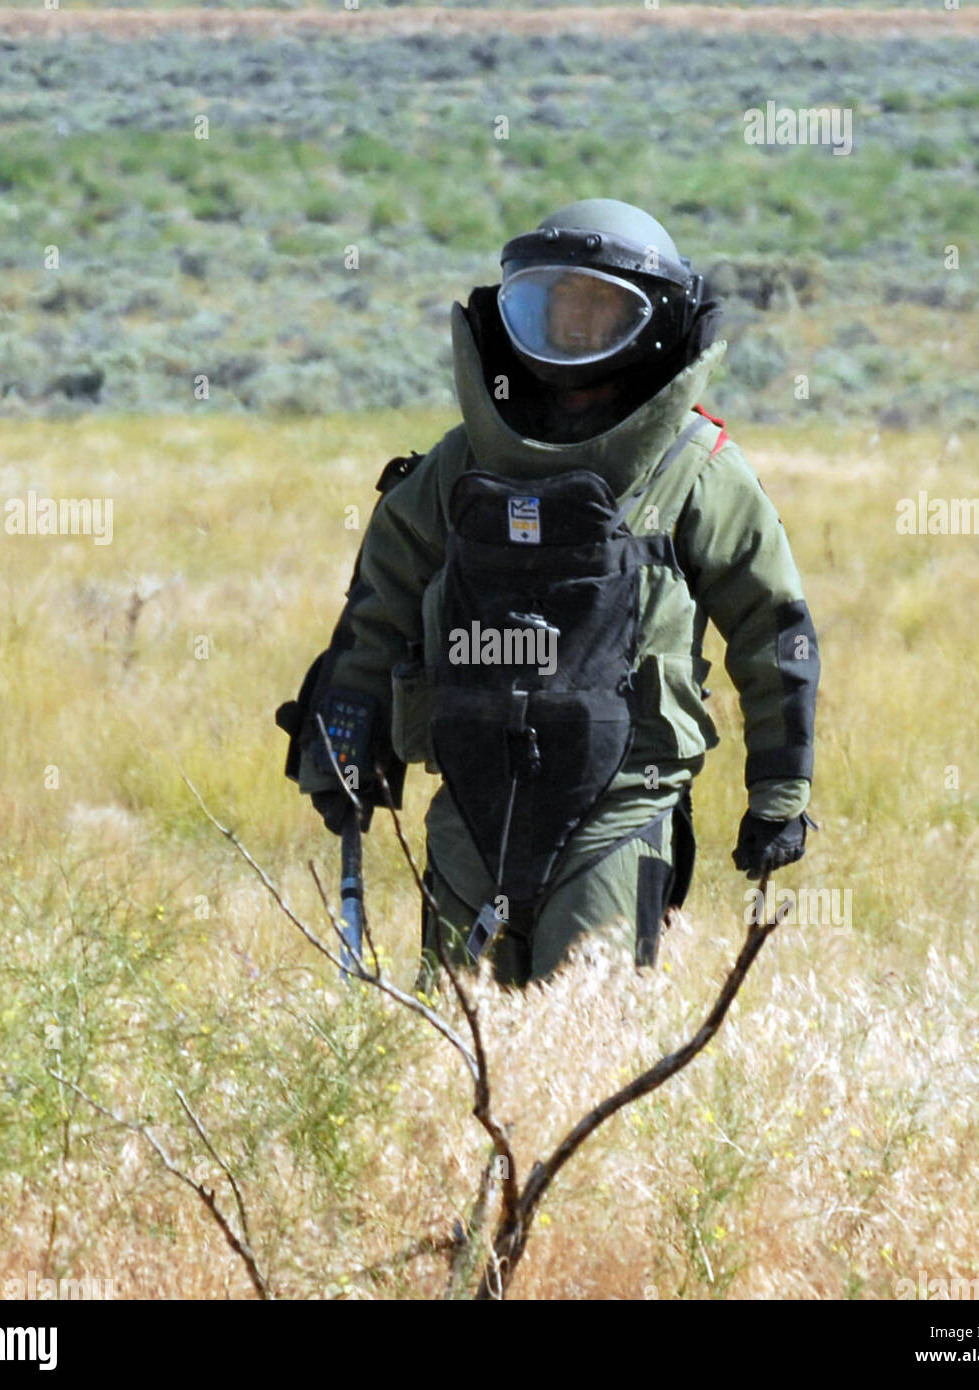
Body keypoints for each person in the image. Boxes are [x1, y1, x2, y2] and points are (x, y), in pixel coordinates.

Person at [277, 199, 819, 990]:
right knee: (454, 1041)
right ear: (516, 315)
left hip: (624, 804)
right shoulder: (460, 467)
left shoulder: (695, 471)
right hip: (469, 796)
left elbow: (776, 632)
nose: (576, 333)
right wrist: (342, 750)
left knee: (587, 1037)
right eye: (555, 309)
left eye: (604, 312)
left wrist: (779, 793)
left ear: (656, 325)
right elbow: (377, 615)